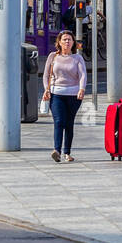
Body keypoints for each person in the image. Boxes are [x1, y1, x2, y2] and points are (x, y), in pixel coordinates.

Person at [43, 30, 87, 163]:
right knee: (59, 121)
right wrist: (46, 89)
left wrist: (82, 89)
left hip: (73, 95)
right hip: (57, 94)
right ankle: (57, 150)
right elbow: (46, 75)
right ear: (59, 42)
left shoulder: (77, 58)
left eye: (69, 40)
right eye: (64, 40)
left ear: (73, 42)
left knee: (69, 123)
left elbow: (83, 75)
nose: (67, 42)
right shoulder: (53, 57)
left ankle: (67, 152)